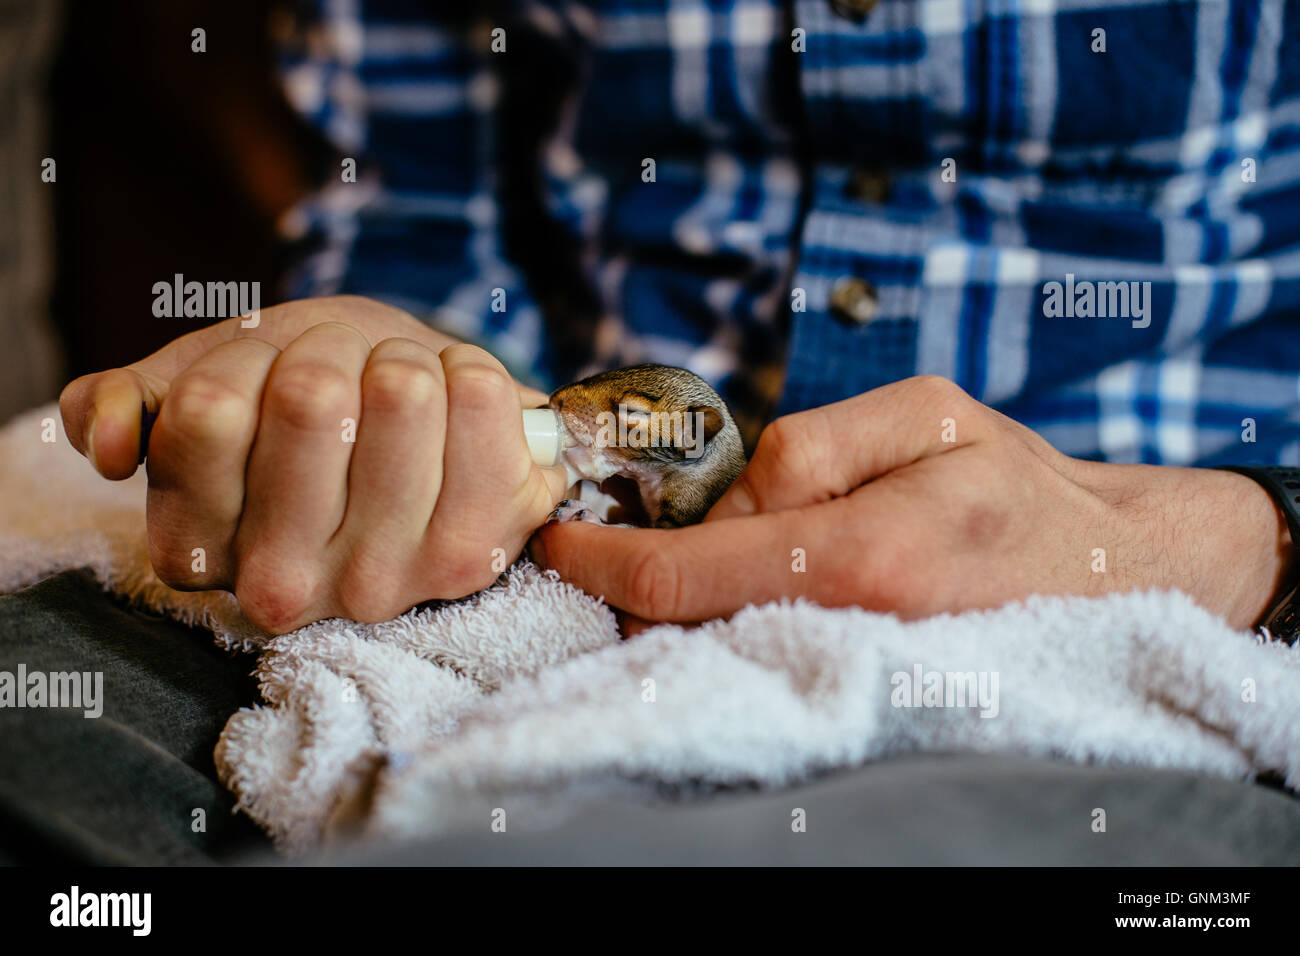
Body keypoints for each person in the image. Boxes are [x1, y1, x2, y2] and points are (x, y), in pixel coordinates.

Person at [59, 0, 1299, 639]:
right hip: (576, 596)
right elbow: (422, 210)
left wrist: (1248, 544)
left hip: (1201, 604)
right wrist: (397, 368)